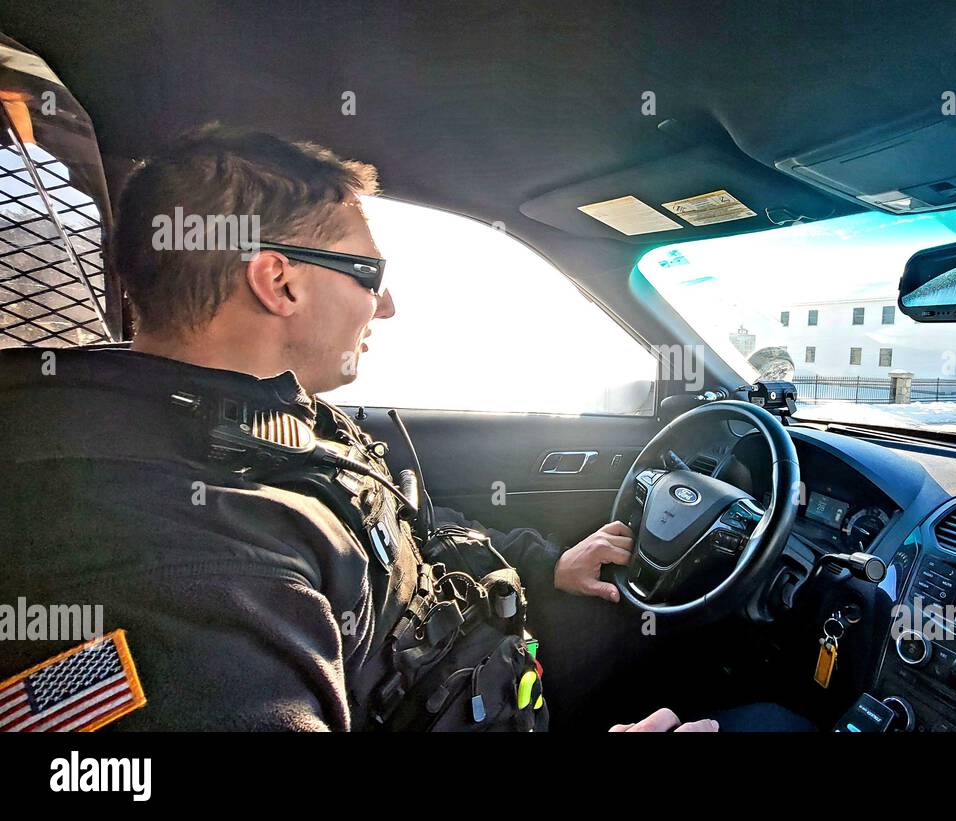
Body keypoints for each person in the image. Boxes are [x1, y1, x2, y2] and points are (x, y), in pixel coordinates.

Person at [0, 124, 716, 731]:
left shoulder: (275, 416)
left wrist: (544, 561)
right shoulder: (171, 556)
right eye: (368, 273)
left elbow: (404, 524)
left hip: (478, 664)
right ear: (278, 281)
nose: (389, 304)